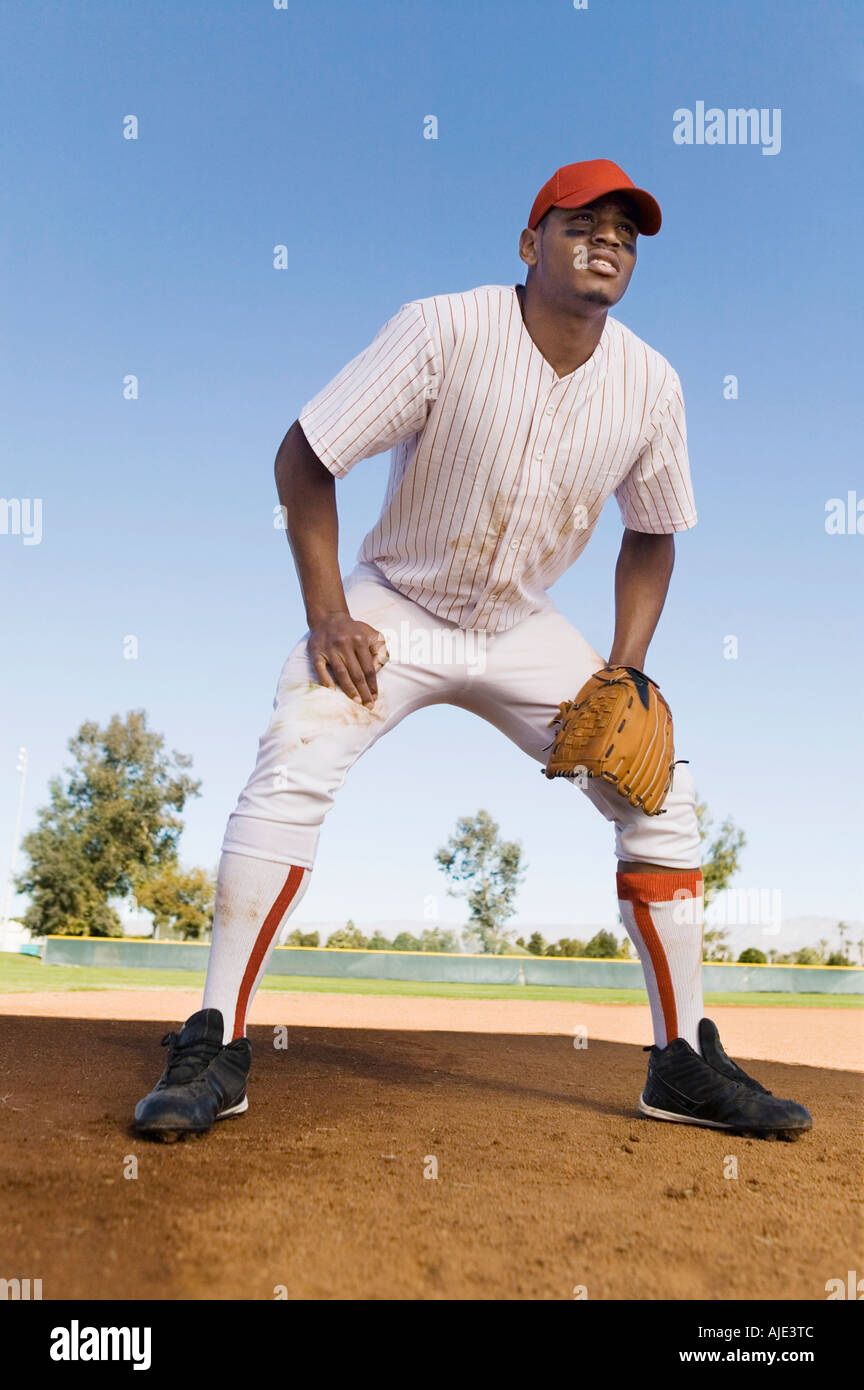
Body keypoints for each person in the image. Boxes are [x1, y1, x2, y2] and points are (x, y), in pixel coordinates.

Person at [134, 159, 810, 1141]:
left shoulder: (651, 383)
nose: (609, 236)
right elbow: (306, 453)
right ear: (530, 240)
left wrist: (625, 664)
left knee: (662, 797)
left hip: (519, 625)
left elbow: (655, 529)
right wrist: (329, 614)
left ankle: (683, 1060)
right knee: (297, 754)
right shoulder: (441, 328)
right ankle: (214, 1039)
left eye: (627, 227)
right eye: (583, 219)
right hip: (394, 605)